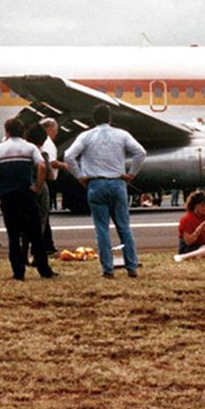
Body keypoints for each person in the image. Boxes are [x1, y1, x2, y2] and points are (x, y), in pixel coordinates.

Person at [64, 104, 147, 278]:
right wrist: (131, 173)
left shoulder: (86, 136)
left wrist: (79, 175)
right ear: (110, 118)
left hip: (96, 184)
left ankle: (108, 269)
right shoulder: (121, 134)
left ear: (93, 119)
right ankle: (131, 266)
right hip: (117, 182)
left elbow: (69, 156)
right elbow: (140, 152)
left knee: (102, 229)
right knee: (124, 227)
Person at [0, 118, 55, 281]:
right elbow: (42, 166)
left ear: (7, 131)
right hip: (26, 195)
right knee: (36, 234)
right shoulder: (30, 148)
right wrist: (37, 186)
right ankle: (44, 270)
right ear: (22, 132)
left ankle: (18, 272)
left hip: (7, 196)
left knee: (13, 236)